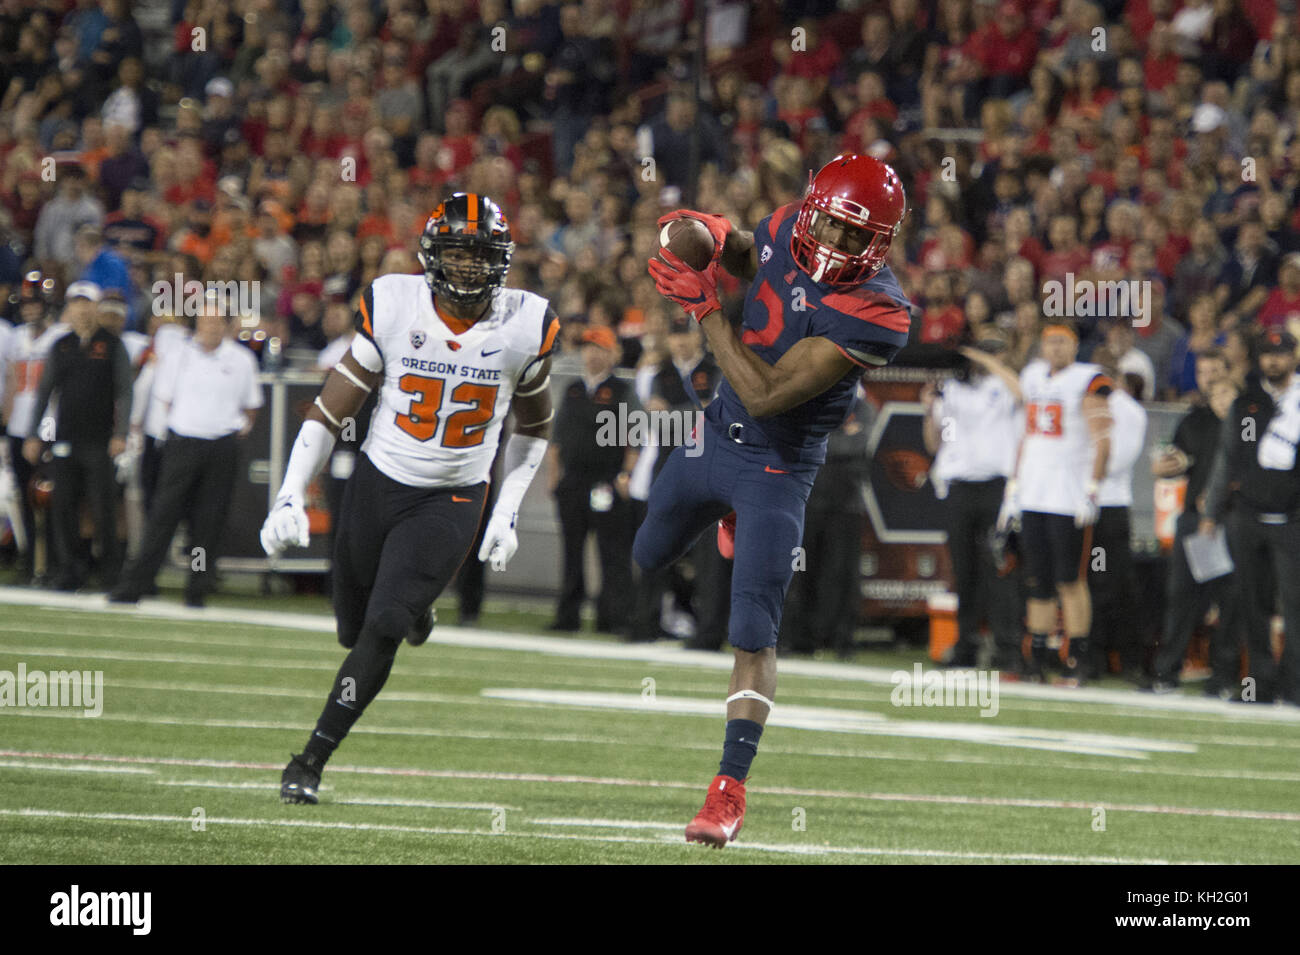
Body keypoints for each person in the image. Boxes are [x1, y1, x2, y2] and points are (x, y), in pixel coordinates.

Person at [639, 154, 913, 847]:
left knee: (754, 628)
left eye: (856, 235)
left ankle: (728, 790)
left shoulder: (880, 311)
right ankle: (722, 519)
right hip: (711, 436)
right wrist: (691, 233)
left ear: (879, 241)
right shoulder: (791, 220)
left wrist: (703, 308)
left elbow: (765, 395)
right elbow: (736, 248)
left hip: (774, 463)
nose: (834, 242)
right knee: (646, 557)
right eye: (829, 222)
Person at [261, 193, 559, 804]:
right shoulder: (396, 305)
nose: (469, 269)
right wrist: (291, 492)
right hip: (377, 482)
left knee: (383, 626)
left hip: (450, 497)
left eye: (481, 257)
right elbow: (329, 407)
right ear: (433, 256)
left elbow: (533, 428)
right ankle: (418, 607)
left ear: (501, 260)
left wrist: (506, 511)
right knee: (351, 625)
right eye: (458, 254)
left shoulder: (526, 325)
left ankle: (311, 758)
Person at [109, 293, 262, 607]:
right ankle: (137, 583)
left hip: (221, 445)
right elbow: (164, 400)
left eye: (217, 321)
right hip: (183, 442)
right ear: (197, 324)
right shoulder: (178, 355)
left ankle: (197, 587)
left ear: (227, 325)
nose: (211, 327)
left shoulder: (242, 360)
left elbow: (251, 408)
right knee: (162, 516)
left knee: (208, 524)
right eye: (205, 321)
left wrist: (233, 433)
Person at [997, 323, 1113, 686]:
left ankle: (1077, 658)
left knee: (1070, 580)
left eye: (1063, 342)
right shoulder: (1032, 375)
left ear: (1076, 345)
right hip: (1034, 493)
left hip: (1068, 496)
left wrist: (1093, 487)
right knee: (1038, 581)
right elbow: (1025, 436)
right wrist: (1013, 489)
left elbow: (1104, 439)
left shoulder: (1088, 378)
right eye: (1051, 342)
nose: (1056, 348)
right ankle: (1037, 658)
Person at [1201, 329, 1300, 705]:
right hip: (1248, 517)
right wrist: (1211, 511)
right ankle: (1258, 684)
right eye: (1267, 354)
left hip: (1292, 518)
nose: (1272, 361)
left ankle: (1295, 686)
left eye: (1280, 354)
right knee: (1251, 606)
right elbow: (1227, 459)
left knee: (1295, 607)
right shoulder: (1247, 403)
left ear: (1293, 356)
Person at [23, 281, 133, 591]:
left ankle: (110, 572)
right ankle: (70, 569)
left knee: (103, 507)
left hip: (99, 439)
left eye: (86, 303)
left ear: (96, 308)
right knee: (63, 506)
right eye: (76, 303)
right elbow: (45, 391)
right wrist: (33, 434)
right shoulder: (61, 346)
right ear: (69, 308)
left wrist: (120, 432)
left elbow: (124, 391)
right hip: (65, 438)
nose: (81, 309)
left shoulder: (112, 345)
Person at [922, 338, 1023, 671]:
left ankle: (1008, 648)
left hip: (996, 488)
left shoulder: (1004, 386)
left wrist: (991, 361)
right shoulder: (951, 390)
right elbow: (935, 442)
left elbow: (1021, 392)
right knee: (964, 571)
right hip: (960, 487)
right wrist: (928, 411)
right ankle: (966, 645)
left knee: (1000, 569)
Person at [1150, 349, 1240, 695]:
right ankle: (1166, 673)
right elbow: (1174, 461)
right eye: (1215, 392)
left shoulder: (1248, 427)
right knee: (1182, 598)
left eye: (1226, 392)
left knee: (1228, 602)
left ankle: (1223, 678)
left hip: (1229, 523)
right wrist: (1165, 466)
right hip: (1195, 522)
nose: (1220, 397)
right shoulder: (1195, 420)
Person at [547, 324, 640, 633]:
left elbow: (633, 436)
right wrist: (554, 475)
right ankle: (567, 615)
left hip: (605, 479)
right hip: (573, 479)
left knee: (611, 550)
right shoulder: (573, 388)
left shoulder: (622, 390)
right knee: (571, 549)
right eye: (588, 347)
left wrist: (626, 475)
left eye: (599, 347)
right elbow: (558, 435)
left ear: (611, 353)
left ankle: (613, 616)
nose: (592, 353)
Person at [1, 271, 67, 583]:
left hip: (51, 427)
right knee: (25, 499)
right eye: (26, 303)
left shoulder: (60, 336)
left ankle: (53, 562)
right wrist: (6, 424)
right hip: (19, 427)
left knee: (53, 500)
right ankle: (30, 562)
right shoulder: (15, 338)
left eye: (35, 302)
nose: (29, 309)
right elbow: (13, 383)